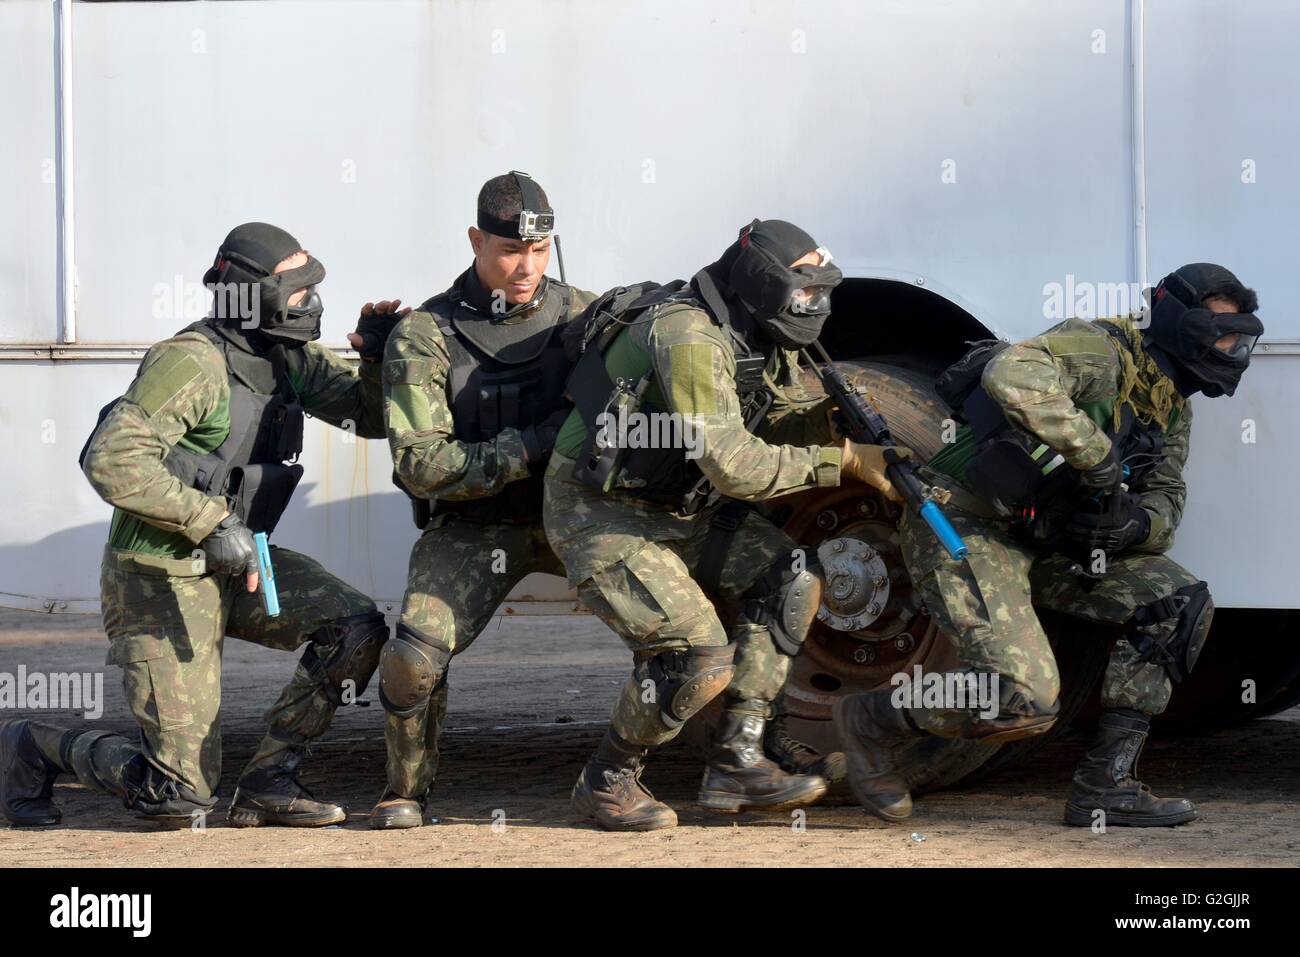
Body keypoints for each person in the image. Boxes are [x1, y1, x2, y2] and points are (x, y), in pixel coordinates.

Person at [0, 222, 406, 828]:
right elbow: (110, 456)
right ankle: (32, 744)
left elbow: (370, 417)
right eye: (296, 291)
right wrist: (209, 518)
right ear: (251, 294)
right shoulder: (190, 362)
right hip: (158, 576)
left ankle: (270, 779)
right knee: (178, 798)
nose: (312, 303)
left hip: (238, 565)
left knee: (354, 628)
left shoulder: (288, 357)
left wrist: (376, 359)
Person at [835, 262, 1262, 827]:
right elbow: (1012, 375)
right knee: (1025, 698)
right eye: (1222, 330)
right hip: (966, 523)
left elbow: (1166, 501)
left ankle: (1105, 786)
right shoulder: (1101, 349)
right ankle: (874, 719)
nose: (1231, 347)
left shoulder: (1170, 407)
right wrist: (1098, 458)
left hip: (1047, 544)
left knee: (1175, 602)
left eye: (1238, 336)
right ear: (1182, 319)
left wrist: (1132, 528)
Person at [544, 219, 907, 831]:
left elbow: (766, 425)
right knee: (696, 655)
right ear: (765, 284)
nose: (814, 305)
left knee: (792, 579)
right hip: (603, 513)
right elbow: (734, 464)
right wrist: (840, 460)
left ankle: (739, 756)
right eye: (804, 292)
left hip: (684, 506)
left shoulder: (763, 332)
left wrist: (825, 420)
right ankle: (606, 780)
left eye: (821, 293)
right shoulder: (688, 334)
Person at [369, 172, 598, 829]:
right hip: (474, 527)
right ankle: (404, 791)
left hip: (570, 517)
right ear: (475, 239)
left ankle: (631, 771)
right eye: (509, 251)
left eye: (540, 250)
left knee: (677, 618)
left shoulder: (584, 315)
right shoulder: (426, 333)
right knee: (412, 661)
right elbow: (419, 464)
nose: (527, 267)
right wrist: (525, 447)